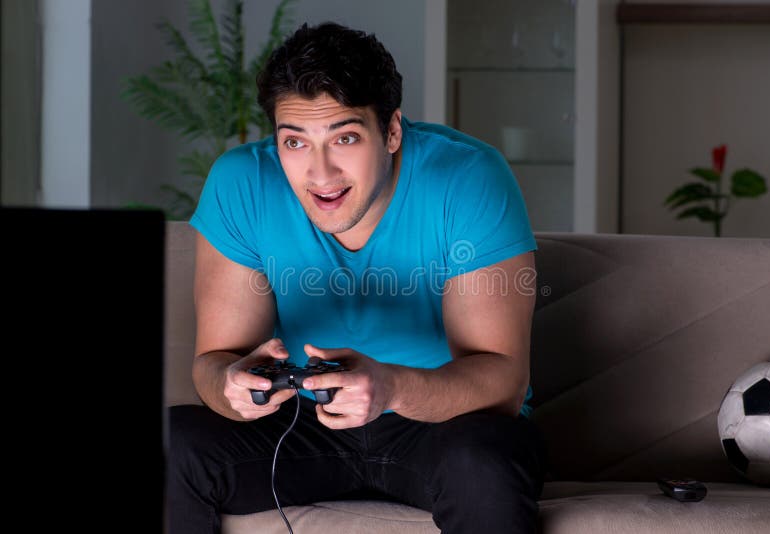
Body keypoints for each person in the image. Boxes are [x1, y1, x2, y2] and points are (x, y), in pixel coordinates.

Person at [168, 21, 548, 534]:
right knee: (175, 444)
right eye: (295, 142)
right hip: (301, 425)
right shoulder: (241, 182)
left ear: (391, 131)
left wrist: (389, 388)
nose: (320, 174)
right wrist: (231, 384)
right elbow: (213, 364)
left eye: (344, 137)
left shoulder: (468, 177)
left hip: (443, 424)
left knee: (482, 462)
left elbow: (504, 381)